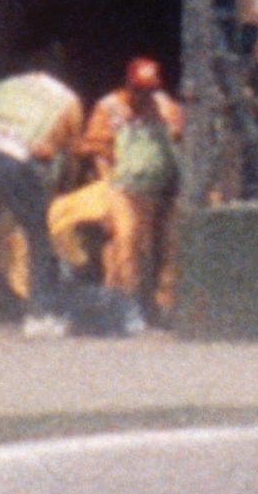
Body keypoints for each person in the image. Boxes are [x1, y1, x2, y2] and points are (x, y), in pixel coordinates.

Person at [0, 45, 84, 332]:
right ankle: (40, 315)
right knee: (38, 236)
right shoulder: (67, 99)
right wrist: (64, 184)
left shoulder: (8, 84)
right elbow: (65, 150)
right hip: (15, 160)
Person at [79, 58, 189, 315]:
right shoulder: (109, 107)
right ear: (129, 85)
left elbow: (180, 141)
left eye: (150, 90)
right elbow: (96, 149)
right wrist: (106, 185)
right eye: (139, 90)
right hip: (122, 189)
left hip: (159, 191)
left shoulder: (166, 107)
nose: (144, 96)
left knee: (164, 244)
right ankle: (125, 305)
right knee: (126, 238)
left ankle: (163, 305)